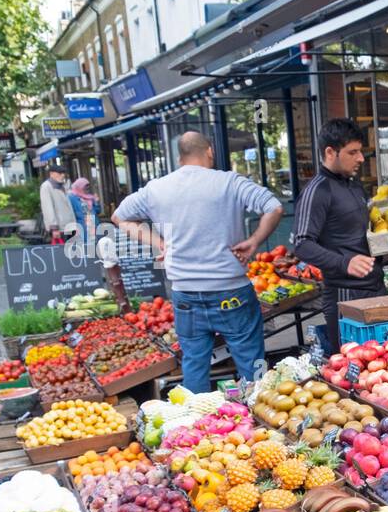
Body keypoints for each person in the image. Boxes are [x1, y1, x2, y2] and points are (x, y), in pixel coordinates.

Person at [113, 131, 284, 393]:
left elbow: (119, 216)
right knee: (252, 363)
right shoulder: (229, 182)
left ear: (179, 158)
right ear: (210, 151)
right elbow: (274, 207)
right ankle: (259, 416)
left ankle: (197, 425)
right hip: (232, 291)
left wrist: (158, 242)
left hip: (185, 294)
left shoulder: (157, 188)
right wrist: (254, 241)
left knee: (194, 365)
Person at [291, 118, 384, 352]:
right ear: (330, 152)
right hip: (345, 296)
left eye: (360, 152)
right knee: (355, 373)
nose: (361, 159)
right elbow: (301, 244)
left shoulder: (354, 186)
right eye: (352, 152)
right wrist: (344, 262)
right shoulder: (317, 190)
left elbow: (360, 235)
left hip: (376, 288)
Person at [39, 165, 76, 242]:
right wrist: (54, 228)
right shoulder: (46, 186)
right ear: (51, 173)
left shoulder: (62, 186)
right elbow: (47, 208)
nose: (62, 175)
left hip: (69, 226)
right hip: (59, 227)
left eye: (63, 173)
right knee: (61, 252)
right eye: (59, 173)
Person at [67, 177, 100, 258]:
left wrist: (96, 202)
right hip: (81, 226)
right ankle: (86, 264)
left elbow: (97, 211)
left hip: (93, 225)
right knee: (84, 247)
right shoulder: (72, 198)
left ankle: (93, 263)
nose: (87, 189)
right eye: (85, 187)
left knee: (94, 246)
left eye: (88, 187)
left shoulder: (90, 197)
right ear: (78, 187)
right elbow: (71, 212)